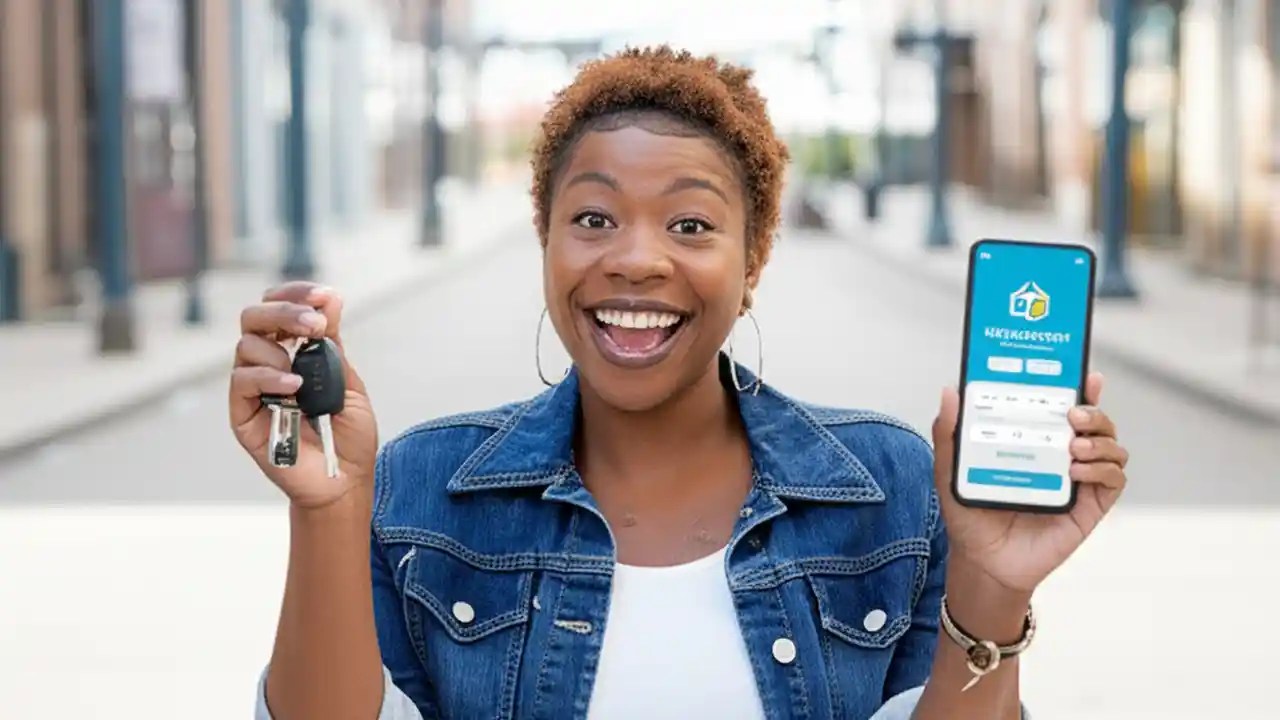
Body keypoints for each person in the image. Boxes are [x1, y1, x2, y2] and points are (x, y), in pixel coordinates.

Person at [232, 46, 1129, 720]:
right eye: (592, 218)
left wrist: (995, 584)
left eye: (692, 225)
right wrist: (327, 510)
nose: (635, 259)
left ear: (752, 265)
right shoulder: (423, 487)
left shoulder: (891, 489)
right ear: (545, 243)